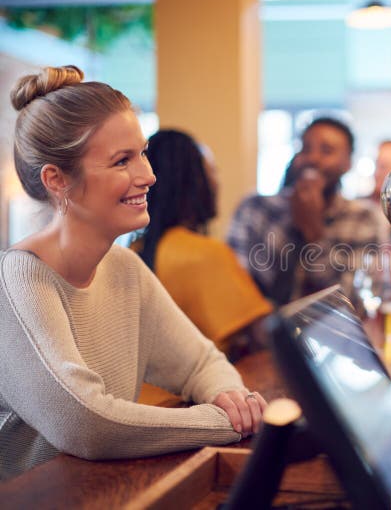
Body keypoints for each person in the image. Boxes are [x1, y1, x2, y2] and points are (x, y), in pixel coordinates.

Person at [0, 65, 267, 480]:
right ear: (57, 180)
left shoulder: (122, 266)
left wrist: (228, 395)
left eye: (141, 152)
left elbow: (200, 362)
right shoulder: (17, 281)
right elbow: (87, 424)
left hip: (98, 492)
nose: (148, 175)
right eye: (122, 160)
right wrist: (227, 421)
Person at [133, 130, 272, 362]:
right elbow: (265, 336)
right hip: (185, 397)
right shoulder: (206, 255)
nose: (218, 182)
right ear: (194, 181)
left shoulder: (133, 251)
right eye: (212, 171)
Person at [227, 117, 389, 305]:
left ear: (347, 163)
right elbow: (237, 286)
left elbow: (353, 301)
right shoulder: (256, 208)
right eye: (305, 149)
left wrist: (314, 234)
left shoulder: (363, 218)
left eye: (326, 151)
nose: (312, 159)